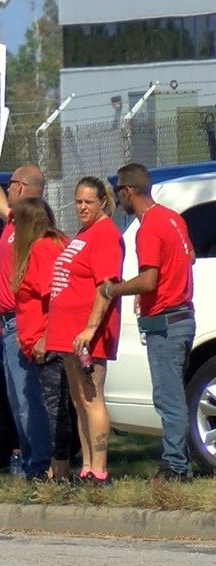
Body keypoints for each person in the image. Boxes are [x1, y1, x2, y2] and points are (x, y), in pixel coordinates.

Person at [0, 139, 53, 481]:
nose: (7, 191)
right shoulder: (15, 222)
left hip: (23, 323)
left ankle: (39, 463)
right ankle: (33, 460)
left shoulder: (34, 226)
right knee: (17, 399)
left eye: (11, 185)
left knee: (27, 399)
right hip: (7, 324)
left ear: (23, 188)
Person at [108, 163, 195, 482]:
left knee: (168, 397)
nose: (118, 198)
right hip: (182, 316)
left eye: (118, 191)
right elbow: (190, 257)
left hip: (166, 322)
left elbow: (148, 280)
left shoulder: (148, 228)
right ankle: (176, 459)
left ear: (129, 190)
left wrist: (113, 289)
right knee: (172, 395)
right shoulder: (173, 218)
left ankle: (175, 466)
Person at [46, 177, 124, 486]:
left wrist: (91, 328)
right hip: (68, 332)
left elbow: (105, 287)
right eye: (78, 201)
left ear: (103, 201)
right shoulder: (83, 234)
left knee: (92, 398)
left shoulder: (105, 234)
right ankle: (87, 466)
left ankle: (100, 470)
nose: (81, 207)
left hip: (88, 334)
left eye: (88, 202)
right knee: (79, 400)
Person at [10, 198, 73, 481]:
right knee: (56, 406)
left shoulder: (43, 248)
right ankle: (58, 467)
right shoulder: (51, 244)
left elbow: (56, 295)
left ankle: (58, 470)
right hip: (43, 342)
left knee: (54, 408)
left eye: (15, 221)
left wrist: (45, 337)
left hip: (50, 344)